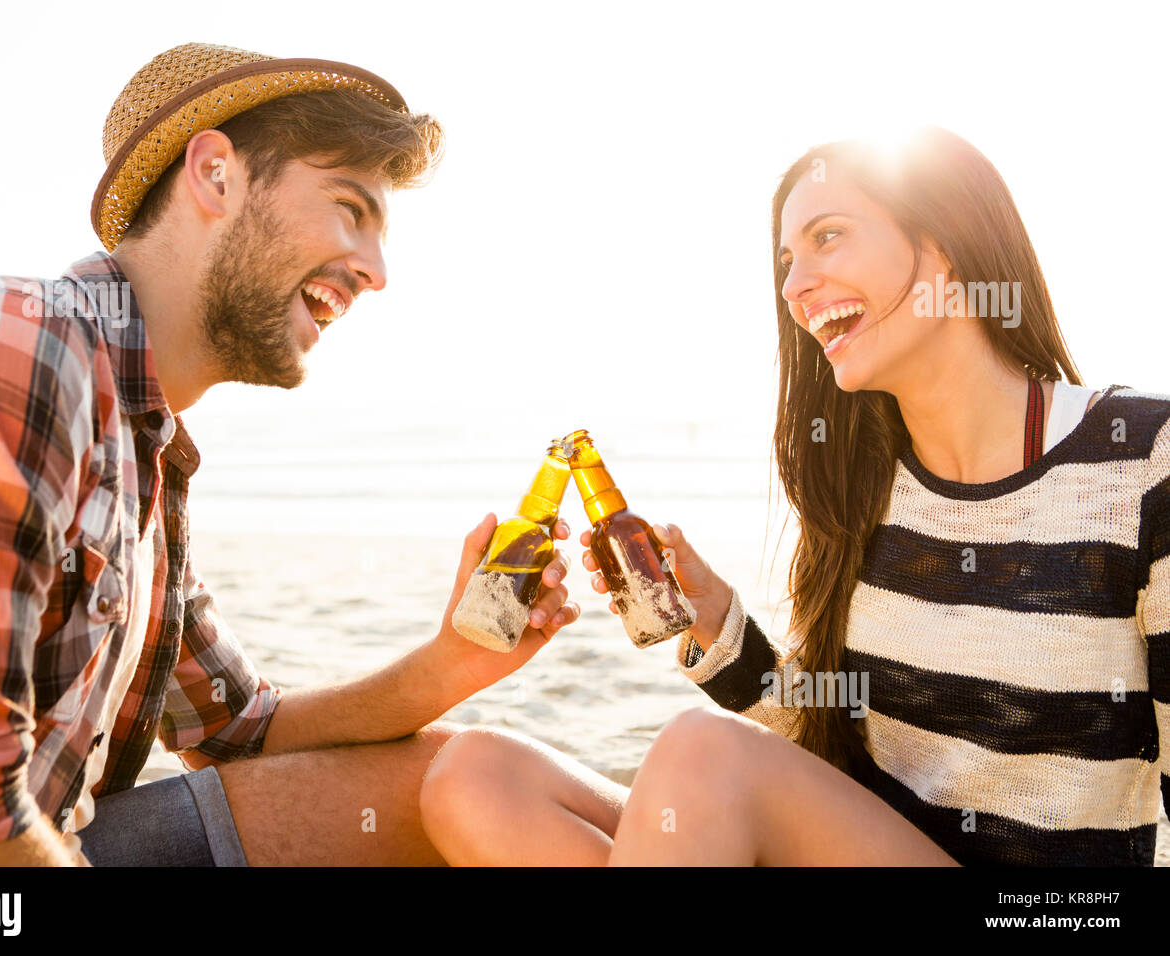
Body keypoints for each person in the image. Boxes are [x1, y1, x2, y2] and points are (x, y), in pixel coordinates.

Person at [0, 42, 594, 866]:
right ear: (216, 174)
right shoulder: (11, 347)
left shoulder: (148, 450)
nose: (378, 272)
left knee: (468, 773)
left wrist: (453, 661)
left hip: (45, 847)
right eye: (350, 208)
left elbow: (237, 727)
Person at [419, 127, 1170, 866]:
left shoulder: (1142, 461)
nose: (793, 285)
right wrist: (716, 628)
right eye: (786, 259)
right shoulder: (865, 482)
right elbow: (832, 756)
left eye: (829, 236)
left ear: (944, 244)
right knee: (476, 777)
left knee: (702, 756)